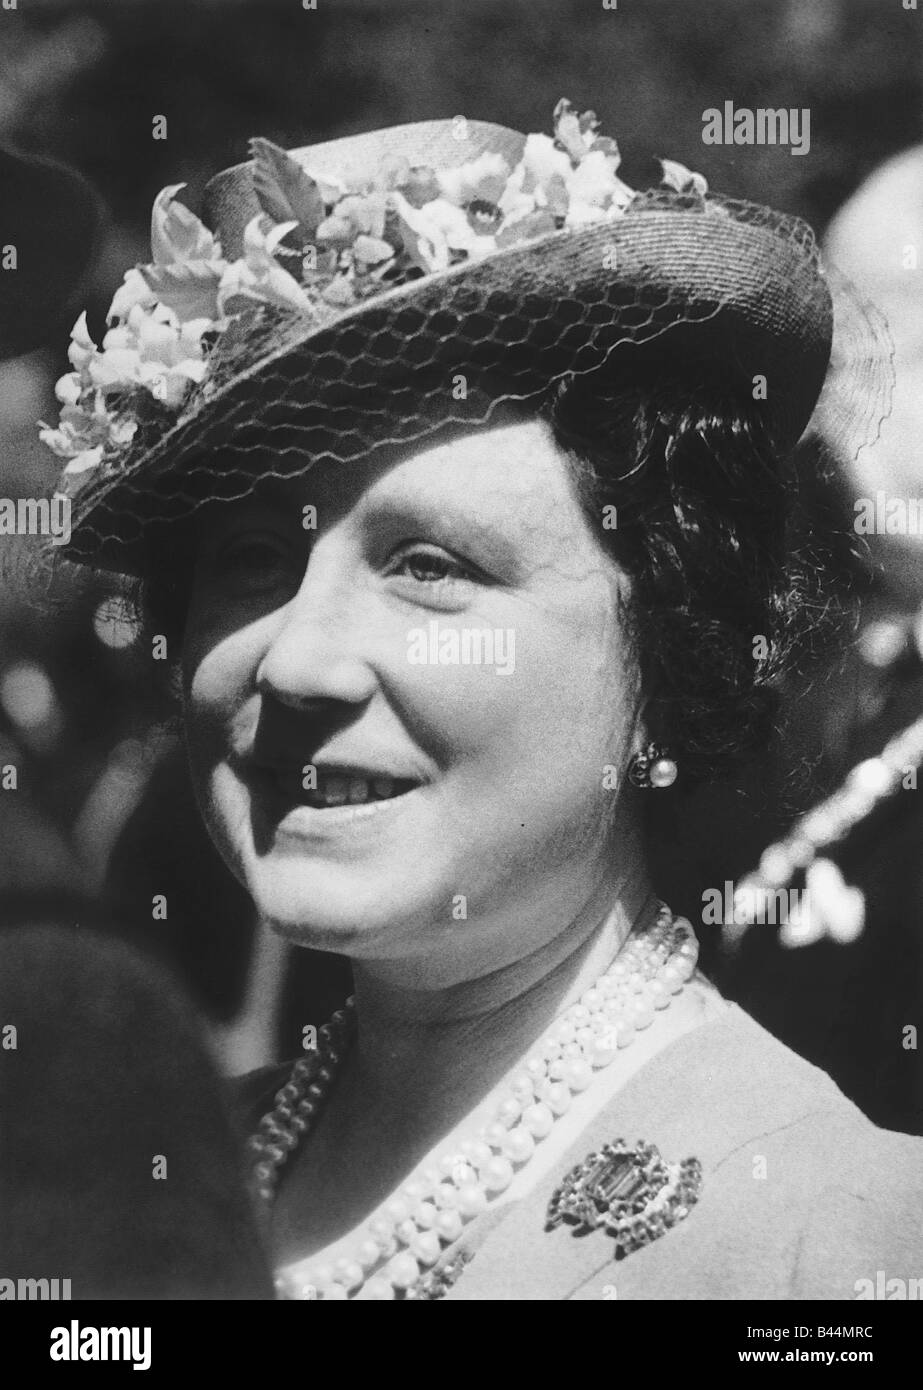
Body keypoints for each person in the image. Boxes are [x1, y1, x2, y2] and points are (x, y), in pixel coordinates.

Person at [39, 102, 923, 1300]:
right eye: (251, 563)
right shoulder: (139, 1203)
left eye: (428, 566)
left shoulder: (819, 1239)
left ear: (670, 651)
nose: (298, 663)